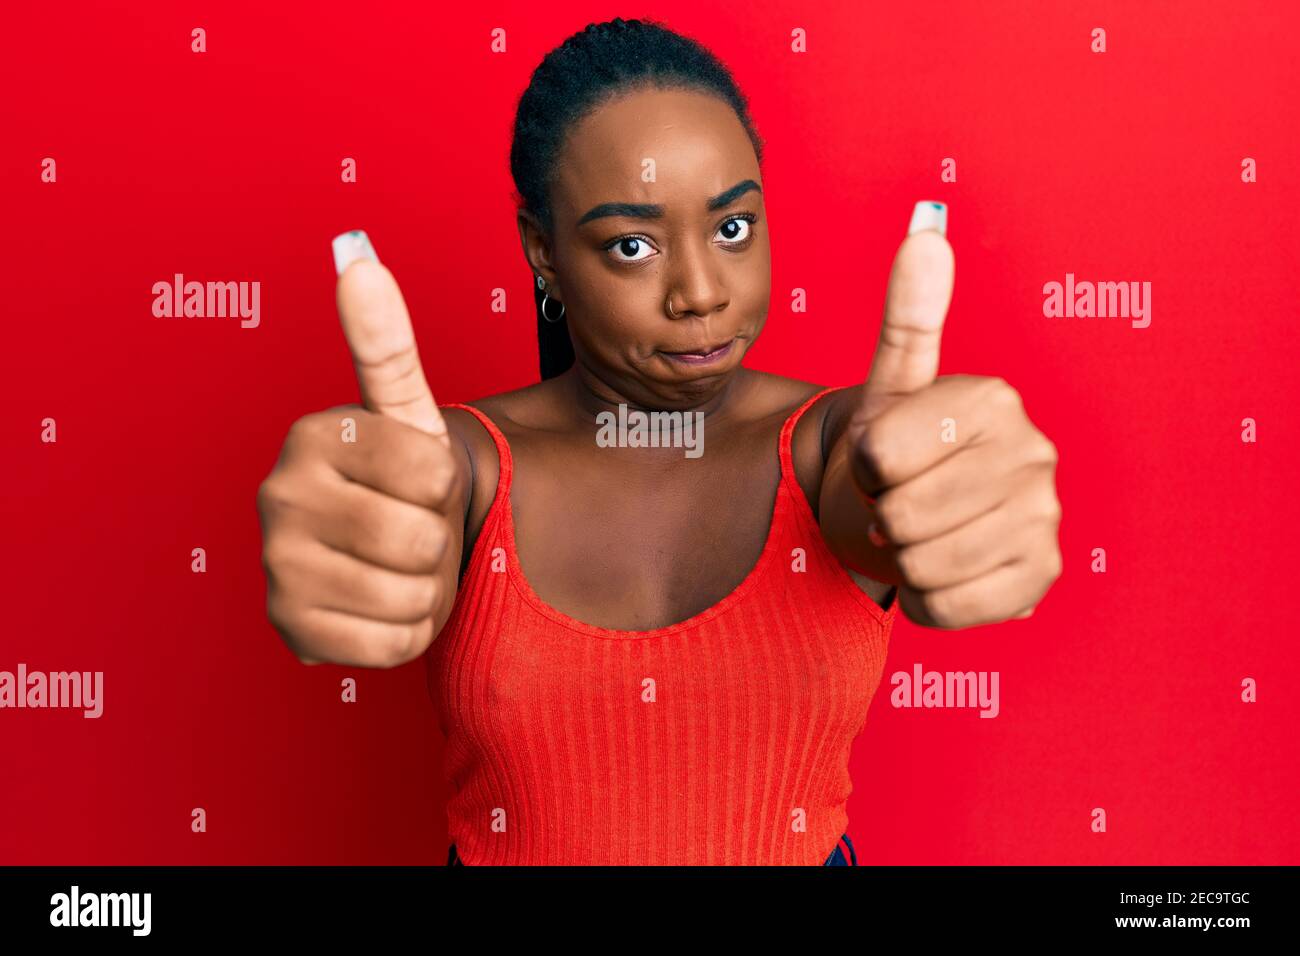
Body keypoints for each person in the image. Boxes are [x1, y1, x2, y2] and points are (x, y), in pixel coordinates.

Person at [256, 17, 1062, 865]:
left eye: (732, 228)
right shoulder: (465, 465)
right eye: (632, 245)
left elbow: (885, 480)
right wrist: (353, 520)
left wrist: (953, 486)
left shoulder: (835, 449)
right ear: (544, 252)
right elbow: (399, 492)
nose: (701, 292)